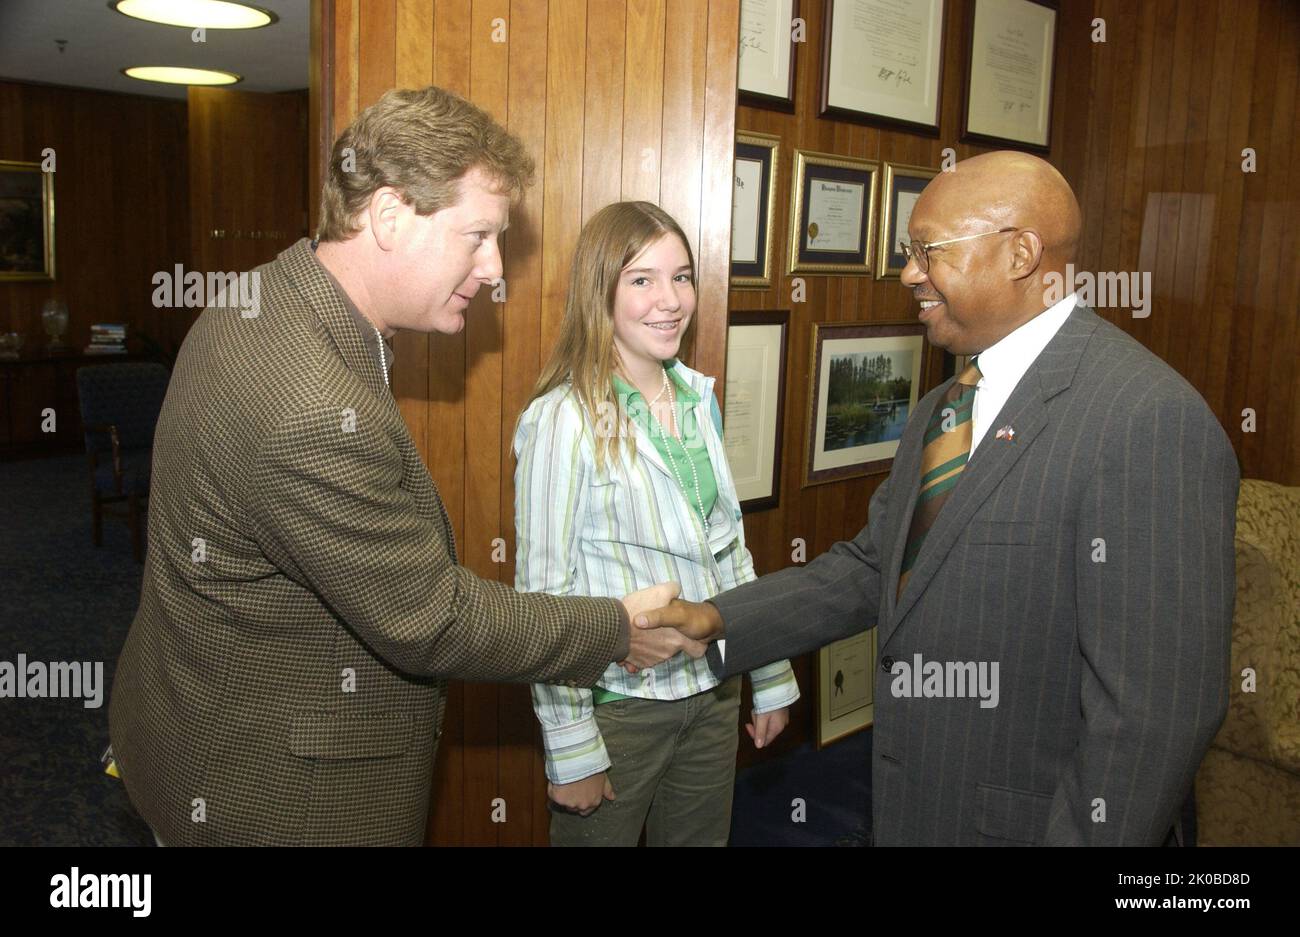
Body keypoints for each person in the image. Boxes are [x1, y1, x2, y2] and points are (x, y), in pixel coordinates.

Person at [107, 87, 699, 847]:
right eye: (478, 235)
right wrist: (615, 628)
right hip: (271, 797)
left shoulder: (260, 293)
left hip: (186, 716)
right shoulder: (311, 406)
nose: (493, 268)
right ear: (388, 216)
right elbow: (432, 618)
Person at [636, 151, 1239, 846]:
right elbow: (873, 569)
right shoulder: (943, 408)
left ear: (1020, 254)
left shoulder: (1146, 420)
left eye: (929, 250)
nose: (909, 273)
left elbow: (1155, 716)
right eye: (908, 250)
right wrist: (714, 619)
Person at [513, 201, 798, 846]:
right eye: (641, 279)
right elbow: (544, 597)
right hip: (618, 710)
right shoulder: (562, 419)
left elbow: (731, 552)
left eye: (683, 277)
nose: (670, 300)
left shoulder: (697, 398)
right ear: (600, 291)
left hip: (712, 692)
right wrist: (572, 749)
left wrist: (771, 674)